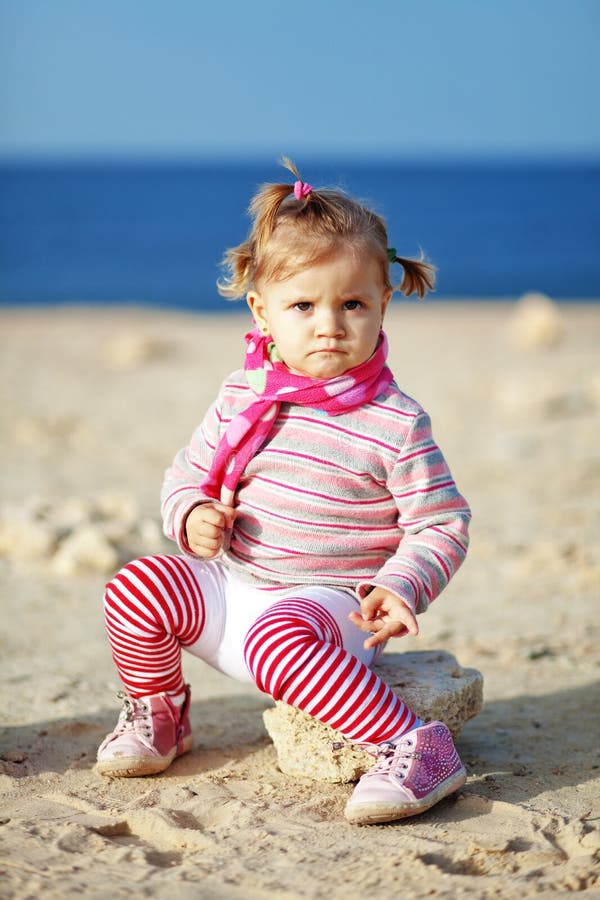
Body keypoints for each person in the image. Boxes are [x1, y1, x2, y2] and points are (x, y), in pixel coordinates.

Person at [96, 159, 471, 825]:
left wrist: (401, 586)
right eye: (303, 305)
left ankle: (416, 744)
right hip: (235, 589)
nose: (329, 325)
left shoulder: (393, 420)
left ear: (384, 301)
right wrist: (194, 515)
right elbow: (185, 473)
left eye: (352, 303)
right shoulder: (243, 395)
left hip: (326, 613)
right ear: (262, 312)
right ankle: (160, 715)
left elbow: (441, 524)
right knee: (136, 587)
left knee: (278, 636)